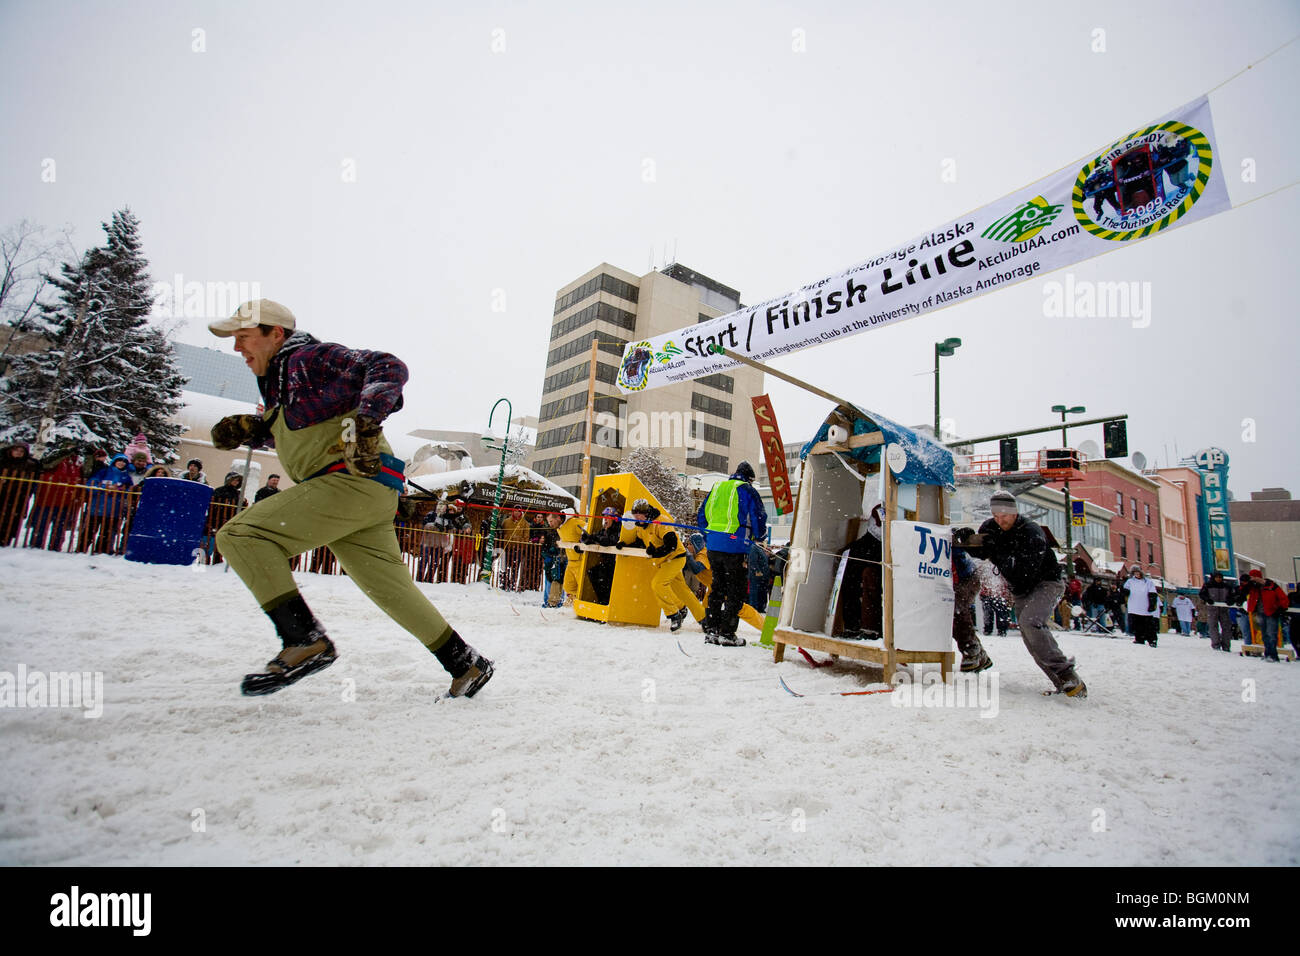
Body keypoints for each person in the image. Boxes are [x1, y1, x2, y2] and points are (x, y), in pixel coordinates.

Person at [207, 298, 492, 697]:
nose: (238, 348)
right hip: (365, 493)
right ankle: (465, 663)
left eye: (244, 337)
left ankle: (304, 639)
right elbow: (306, 429)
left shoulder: (305, 359)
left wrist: (367, 420)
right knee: (391, 590)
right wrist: (253, 431)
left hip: (349, 484)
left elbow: (389, 367)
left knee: (241, 536)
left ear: (276, 334)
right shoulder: (279, 382)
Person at [953, 491, 1086, 697]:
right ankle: (1063, 685)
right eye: (996, 515)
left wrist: (995, 550)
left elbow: (1023, 571)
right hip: (1020, 590)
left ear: (1015, 512)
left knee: (1030, 622)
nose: (1000, 520)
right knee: (1030, 637)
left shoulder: (1031, 532)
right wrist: (966, 538)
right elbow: (983, 549)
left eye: (1005, 515)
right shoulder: (990, 527)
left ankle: (1067, 674)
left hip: (1046, 583)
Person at [697, 460, 768, 647]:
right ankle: (727, 633)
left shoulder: (718, 487)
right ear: (749, 479)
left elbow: (701, 514)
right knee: (735, 591)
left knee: (717, 587)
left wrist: (709, 536)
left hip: (713, 546)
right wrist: (760, 535)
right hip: (735, 547)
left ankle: (711, 630)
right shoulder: (747, 489)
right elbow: (758, 516)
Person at [621, 498, 692, 632]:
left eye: (638, 515)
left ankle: (674, 615)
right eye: (634, 516)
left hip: (675, 557)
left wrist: (656, 552)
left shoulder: (660, 522)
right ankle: (681, 608)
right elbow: (641, 542)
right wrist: (624, 545)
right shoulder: (641, 526)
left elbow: (671, 545)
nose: (636, 518)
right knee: (670, 588)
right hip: (664, 561)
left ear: (646, 513)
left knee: (658, 584)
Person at [839, 503, 884, 639]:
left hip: (881, 545)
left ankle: (868, 627)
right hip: (874, 543)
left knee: (868, 576)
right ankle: (855, 625)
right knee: (854, 574)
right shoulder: (879, 510)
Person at [1239, 570, 1289, 663]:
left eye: (1254, 577)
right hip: (1260, 613)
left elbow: (1282, 597)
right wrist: (1244, 582)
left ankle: (1273, 655)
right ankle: (1268, 654)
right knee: (1265, 634)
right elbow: (1242, 591)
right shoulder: (1253, 587)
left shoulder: (1271, 585)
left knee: (1271, 634)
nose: (1253, 580)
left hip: (1271, 613)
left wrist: (1280, 608)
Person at [0, 442, 42, 547]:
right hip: (2, 494)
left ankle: (5, 540)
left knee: (12, 518)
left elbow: (33, 480)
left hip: (18, 495)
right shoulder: (3, 461)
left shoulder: (30, 465)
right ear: (11, 450)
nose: (18, 453)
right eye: (16, 450)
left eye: (21, 451)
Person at [581, 507, 622, 604]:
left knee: (605, 577)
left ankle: (607, 600)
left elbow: (608, 541)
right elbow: (597, 537)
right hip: (607, 562)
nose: (606, 519)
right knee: (593, 572)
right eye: (604, 517)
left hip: (617, 563)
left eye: (608, 517)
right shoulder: (604, 530)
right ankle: (603, 599)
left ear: (615, 519)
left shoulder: (619, 529)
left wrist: (595, 538)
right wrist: (587, 539)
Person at [1123, 564, 1159, 647]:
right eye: (1134, 573)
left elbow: (1152, 593)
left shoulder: (1148, 582)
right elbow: (1125, 591)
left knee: (1148, 625)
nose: (1136, 575)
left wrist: (1152, 604)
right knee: (1137, 624)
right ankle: (1139, 638)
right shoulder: (1130, 581)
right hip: (1134, 607)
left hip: (1145, 607)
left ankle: (1152, 640)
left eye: (1138, 573)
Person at [1199, 571, 1236, 652]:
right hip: (1212, 609)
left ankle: (1226, 645)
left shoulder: (1226, 586)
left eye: (1220, 577)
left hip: (1224, 610)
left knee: (1226, 627)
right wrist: (1207, 599)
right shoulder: (1208, 585)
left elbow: (1232, 595)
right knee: (1213, 627)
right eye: (1217, 577)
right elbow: (1202, 594)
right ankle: (1216, 644)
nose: (1219, 579)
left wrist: (1230, 600)